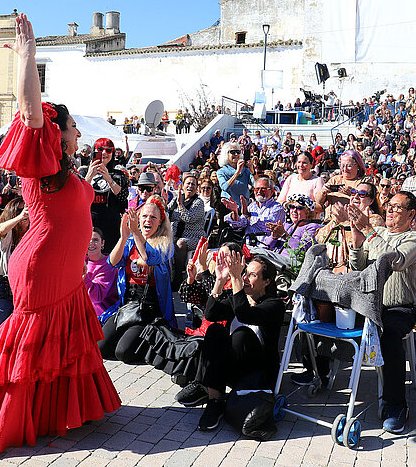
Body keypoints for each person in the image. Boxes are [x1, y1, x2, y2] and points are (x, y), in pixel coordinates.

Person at [0, 13, 120, 454]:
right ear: (56, 134)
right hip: (41, 267)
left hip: (66, 271)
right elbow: (30, 113)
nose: (79, 132)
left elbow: (79, 207)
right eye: (73, 126)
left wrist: (98, 181)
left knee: (60, 341)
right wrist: (28, 56)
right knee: (31, 340)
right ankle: (2, 418)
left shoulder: (67, 174)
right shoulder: (41, 167)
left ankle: (50, 415)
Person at [175, 251, 283, 431]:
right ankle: (214, 400)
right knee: (215, 330)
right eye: (245, 273)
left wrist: (236, 280)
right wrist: (219, 280)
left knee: (242, 334)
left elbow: (244, 314)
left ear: (266, 282)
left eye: (252, 275)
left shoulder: (275, 305)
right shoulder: (239, 298)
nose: (245, 278)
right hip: (232, 368)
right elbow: (211, 314)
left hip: (258, 375)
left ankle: (206, 385)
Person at [348, 191, 416, 433]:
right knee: (328, 317)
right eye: (389, 206)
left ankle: (396, 406)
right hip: (369, 304)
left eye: (397, 207)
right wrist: (356, 242)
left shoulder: (414, 239)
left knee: (390, 336)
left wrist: (368, 232)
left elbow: (395, 261)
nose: (390, 210)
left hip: (398, 308)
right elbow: (359, 267)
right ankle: (318, 376)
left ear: (411, 214)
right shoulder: (378, 233)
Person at [98, 198, 177, 363]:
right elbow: (112, 262)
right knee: (101, 348)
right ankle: (130, 337)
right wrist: (123, 237)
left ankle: (152, 339)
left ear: (160, 222)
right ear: (139, 219)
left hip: (149, 310)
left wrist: (135, 232)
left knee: (123, 353)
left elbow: (149, 258)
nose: (148, 220)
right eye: (145, 216)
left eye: (153, 217)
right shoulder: (131, 242)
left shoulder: (165, 245)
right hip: (128, 306)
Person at [0, 198, 29, 337]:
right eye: (19, 210)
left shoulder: (35, 231)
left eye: (27, 210)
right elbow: (1, 229)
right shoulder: (9, 235)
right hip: (9, 292)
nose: (25, 213)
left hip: (30, 292)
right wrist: (20, 217)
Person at [84, 138, 129, 250]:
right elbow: (77, 194)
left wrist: (108, 178)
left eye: (108, 150)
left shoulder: (118, 174)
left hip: (111, 224)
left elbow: (123, 197)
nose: (104, 153)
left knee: (110, 256)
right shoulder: (84, 172)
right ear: (94, 151)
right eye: (100, 149)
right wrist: (89, 176)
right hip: (89, 222)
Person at [222, 176, 286, 246]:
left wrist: (247, 216)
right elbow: (239, 225)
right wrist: (235, 211)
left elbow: (268, 228)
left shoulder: (277, 208)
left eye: (263, 189)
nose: (259, 191)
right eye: (257, 189)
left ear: (272, 191)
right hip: (248, 245)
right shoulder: (252, 206)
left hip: (266, 247)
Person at [168, 173, 205, 288]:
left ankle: (178, 277)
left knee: (180, 243)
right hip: (175, 234)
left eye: (193, 184)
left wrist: (180, 205)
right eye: (188, 183)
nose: (190, 186)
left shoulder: (198, 202)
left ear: (196, 188)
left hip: (194, 236)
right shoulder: (178, 198)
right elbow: (167, 212)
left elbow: (189, 218)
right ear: (182, 186)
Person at [264, 193, 322, 258]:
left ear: (308, 212)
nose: (294, 210)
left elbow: (302, 250)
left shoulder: (312, 227)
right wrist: (274, 237)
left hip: (290, 261)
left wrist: (284, 235)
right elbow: (267, 246)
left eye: (299, 208)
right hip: (275, 256)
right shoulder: (286, 225)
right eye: (292, 207)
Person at [84, 227, 119, 317]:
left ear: (102, 243)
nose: (91, 243)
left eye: (95, 240)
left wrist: (83, 275)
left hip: (103, 316)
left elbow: (96, 296)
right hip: (83, 314)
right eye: (88, 240)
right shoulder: (83, 261)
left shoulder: (109, 264)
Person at [216, 142, 253, 209]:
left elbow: (255, 185)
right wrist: (237, 172)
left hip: (245, 206)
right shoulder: (221, 172)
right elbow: (225, 187)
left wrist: (253, 171)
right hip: (228, 207)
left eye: (238, 152)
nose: (236, 154)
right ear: (226, 154)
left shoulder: (245, 170)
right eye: (232, 152)